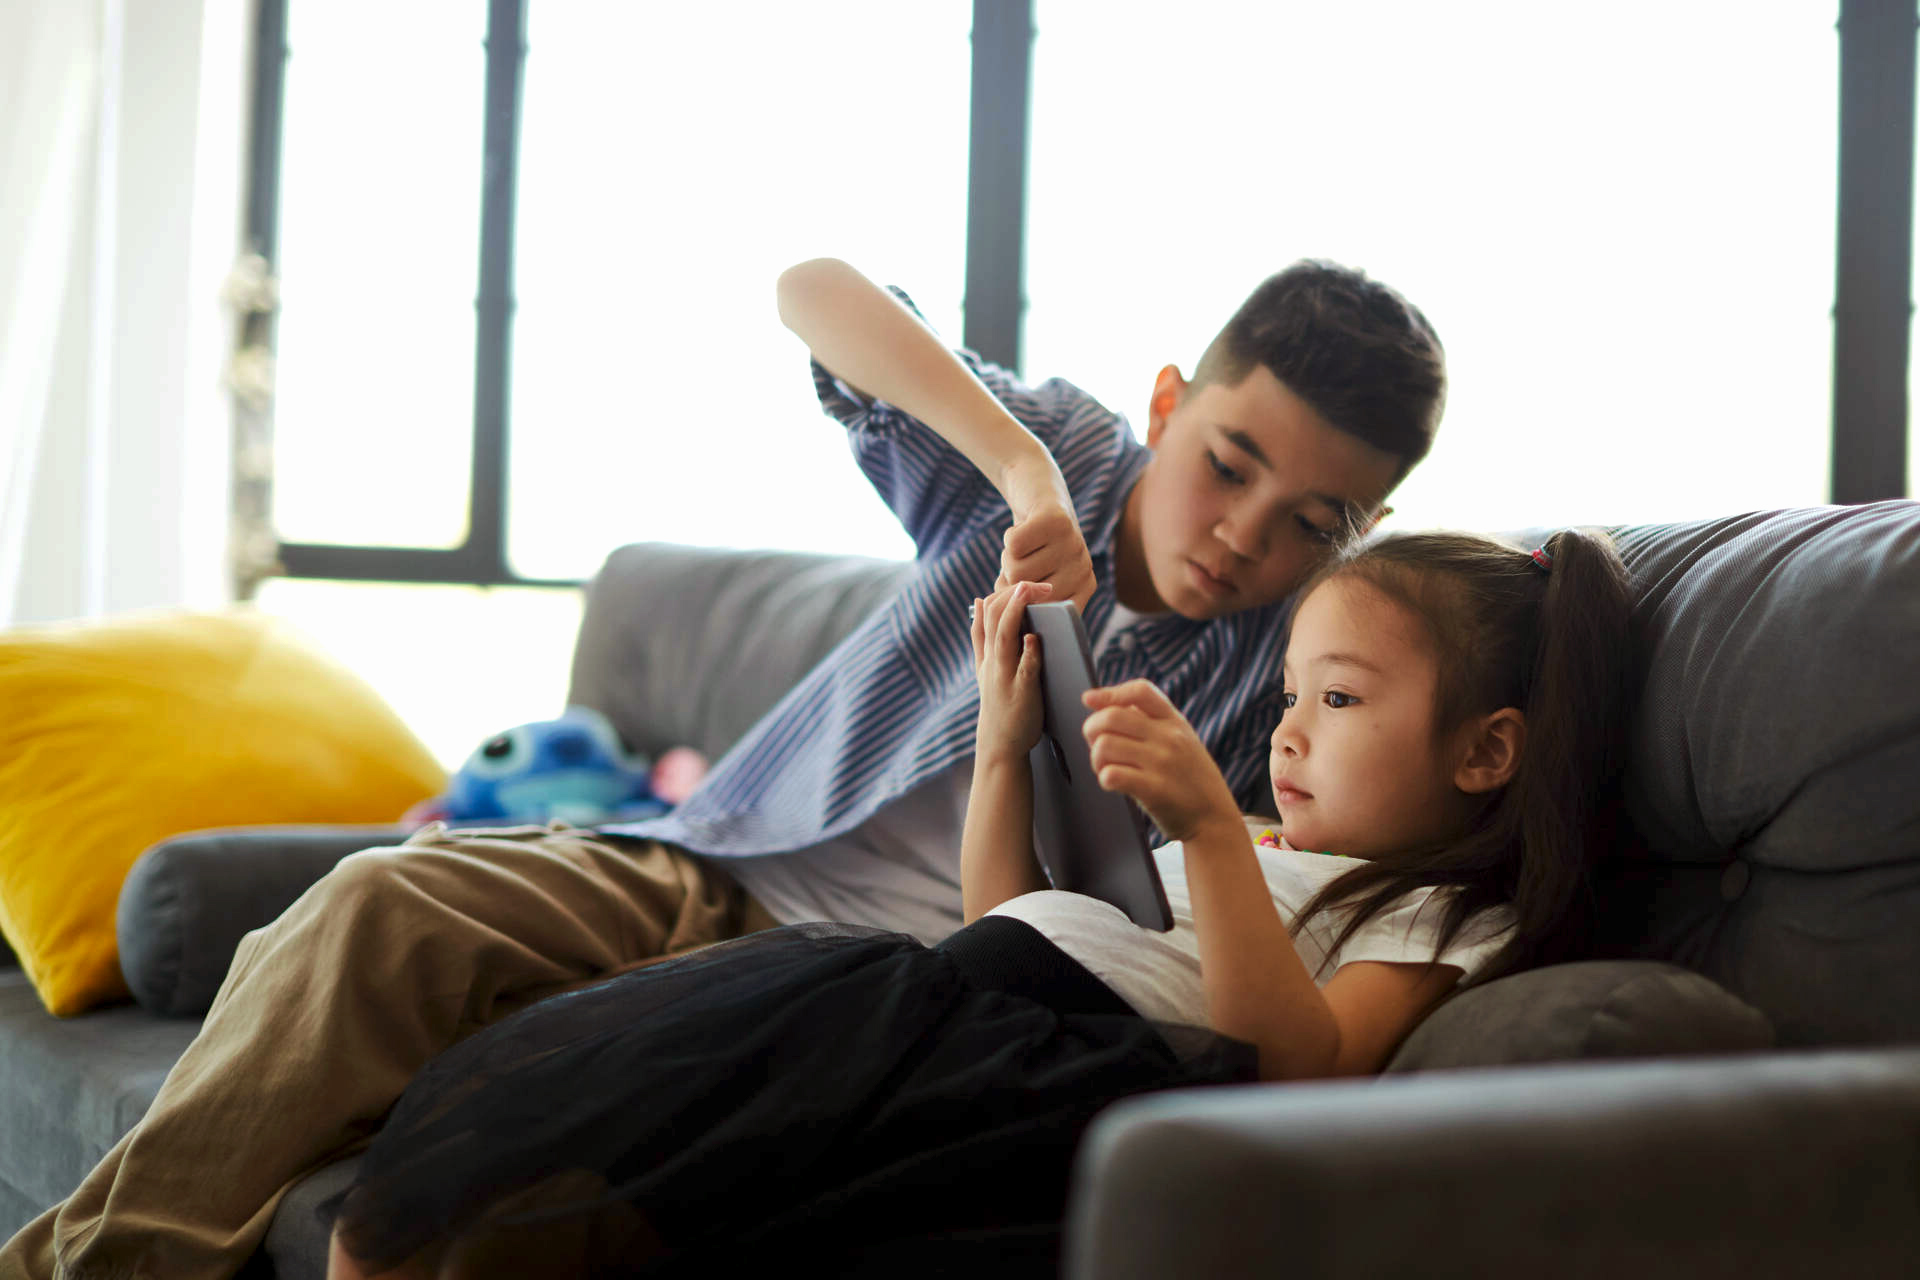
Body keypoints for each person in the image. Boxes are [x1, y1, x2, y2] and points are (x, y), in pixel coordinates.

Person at [1, 256, 1446, 1280]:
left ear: (1361, 532)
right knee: (377, 913)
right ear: (1166, 400)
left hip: (888, 1000)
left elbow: (1327, 841)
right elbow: (814, 289)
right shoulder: (1056, 456)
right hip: (711, 864)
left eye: (1316, 521)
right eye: (1228, 461)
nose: (1245, 536)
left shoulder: (1292, 669)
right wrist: (1019, 473)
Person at [318, 526, 1637, 1279]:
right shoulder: (1246, 836)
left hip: (1020, 1068)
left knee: (643, 1209)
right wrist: (1007, 744)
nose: (1288, 735)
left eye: (1337, 702)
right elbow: (1007, 905)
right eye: (1289, 697)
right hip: (930, 989)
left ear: (1485, 754)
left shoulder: (1439, 911)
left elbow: (1300, 1066)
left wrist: (1204, 837)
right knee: (495, 1160)